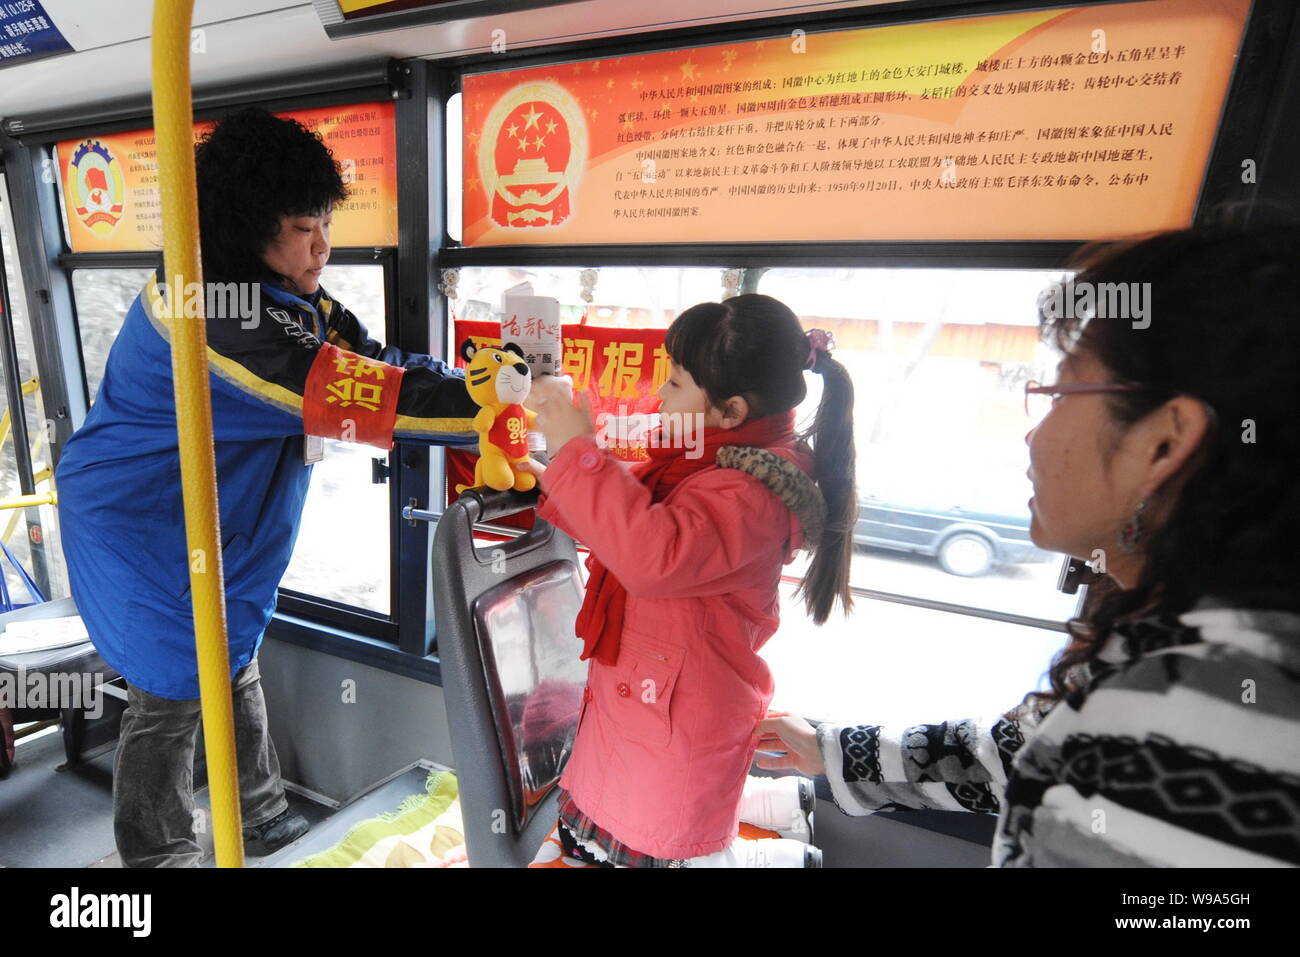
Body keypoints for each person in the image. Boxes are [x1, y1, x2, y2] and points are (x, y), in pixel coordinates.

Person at [53, 107, 567, 867]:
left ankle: (261, 815)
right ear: (246, 227)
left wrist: (481, 387)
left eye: (325, 221)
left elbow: (376, 363)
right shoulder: (213, 320)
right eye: (303, 226)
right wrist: (487, 411)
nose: (323, 245)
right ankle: (156, 852)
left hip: (215, 514)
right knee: (170, 692)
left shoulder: (282, 296)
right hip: (141, 528)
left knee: (233, 653)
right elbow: (355, 397)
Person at [756, 224, 1300, 867]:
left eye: (1059, 392)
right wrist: (833, 748)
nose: (1032, 437)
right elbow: (1019, 754)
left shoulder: (1186, 730)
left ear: (1163, 442)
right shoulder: (1180, 654)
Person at [520, 294, 857, 866]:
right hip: (652, 703)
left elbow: (652, 550)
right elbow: (637, 517)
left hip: (676, 719)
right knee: (616, 805)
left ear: (729, 410)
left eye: (674, 385)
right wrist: (558, 475)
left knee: (660, 833)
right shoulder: (713, 463)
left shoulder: (752, 491)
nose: (658, 397)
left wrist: (578, 453)